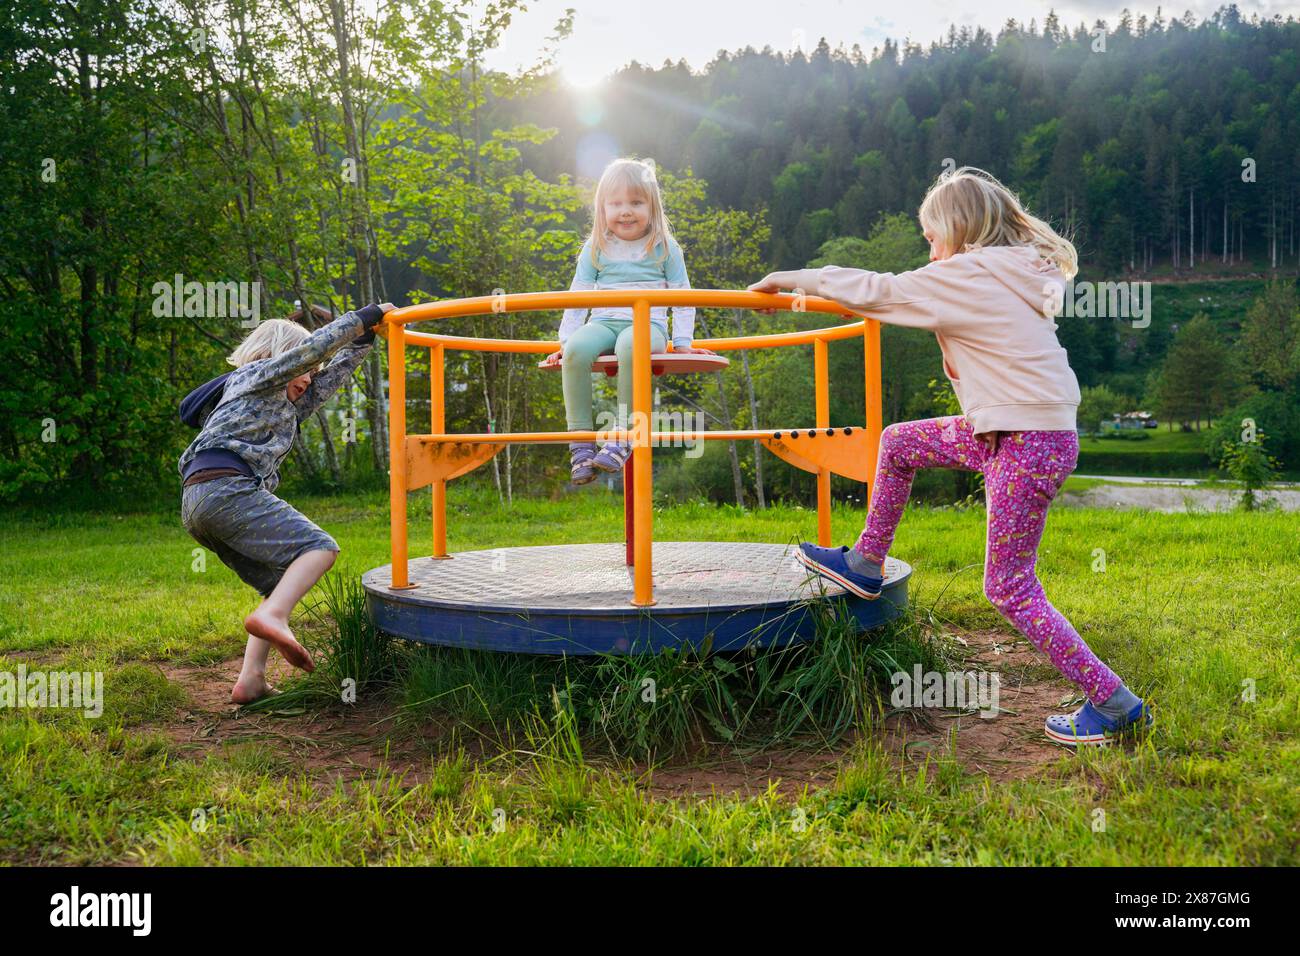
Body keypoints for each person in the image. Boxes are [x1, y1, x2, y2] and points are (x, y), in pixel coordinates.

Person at [749, 167, 1151, 747]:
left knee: (1009, 587)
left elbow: (878, 289)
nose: (928, 248)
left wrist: (788, 282)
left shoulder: (968, 275)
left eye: (931, 235)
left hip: (1023, 441)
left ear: (958, 232)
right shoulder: (1013, 271)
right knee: (899, 442)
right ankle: (865, 563)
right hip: (1012, 431)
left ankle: (1114, 703)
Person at [178, 302, 392, 704]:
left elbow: (330, 377)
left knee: (278, 584)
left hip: (197, 502)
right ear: (278, 360)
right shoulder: (255, 377)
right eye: (303, 369)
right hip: (228, 489)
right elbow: (311, 353)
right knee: (319, 548)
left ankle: (251, 680)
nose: (309, 379)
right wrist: (365, 315)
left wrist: (361, 342)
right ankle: (273, 617)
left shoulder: (281, 401)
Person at [543, 158, 712, 484]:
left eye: (636, 203)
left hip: (649, 327)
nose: (626, 211)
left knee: (629, 345)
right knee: (578, 350)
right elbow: (576, 296)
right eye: (616, 203)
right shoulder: (596, 247)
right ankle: (580, 442)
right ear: (602, 207)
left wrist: (682, 344)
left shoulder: (664, 247)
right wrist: (565, 343)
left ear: (652, 207)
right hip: (603, 321)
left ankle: (623, 431)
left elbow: (683, 297)